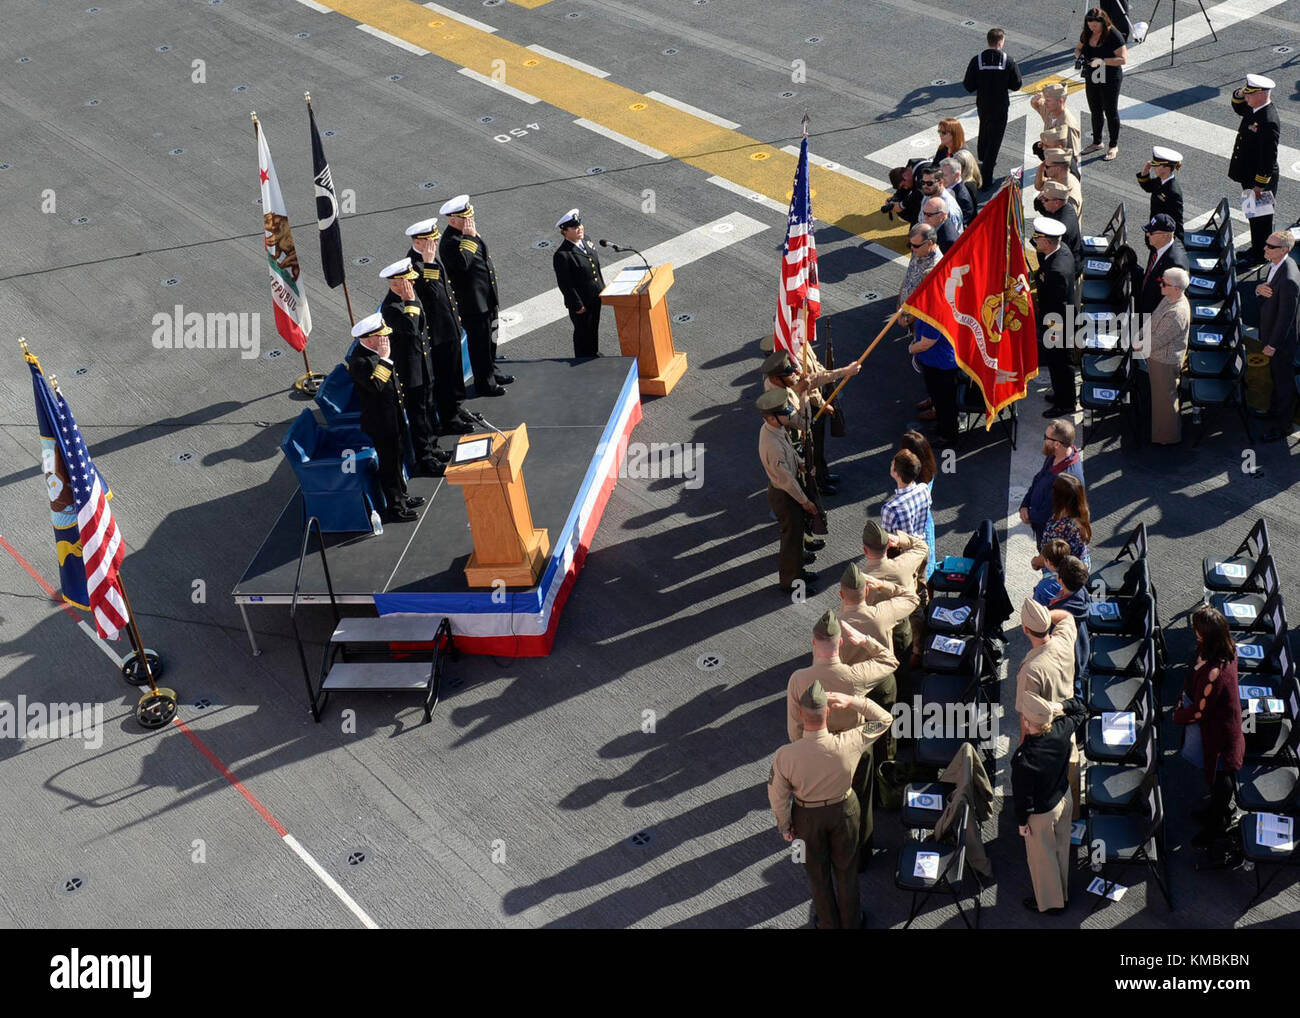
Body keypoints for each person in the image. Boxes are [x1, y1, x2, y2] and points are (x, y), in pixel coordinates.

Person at [767, 680, 892, 929]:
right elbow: (885, 719)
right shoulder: (850, 741)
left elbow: (777, 796)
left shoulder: (785, 755)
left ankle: (827, 923)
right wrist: (853, 701)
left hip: (805, 818)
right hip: (845, 811)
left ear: (801, 715)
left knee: (816, 874)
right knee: (847, 870)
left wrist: (785, 826)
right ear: (827, 711)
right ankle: (852, 922)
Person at [787, 610, 899, 855]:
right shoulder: (854, 676)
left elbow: (794, 726)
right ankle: (861, 855)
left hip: (816, 750)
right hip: (855, 747)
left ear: (813, 643)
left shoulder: (798, 679)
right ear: (841, 643)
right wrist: (864, 640)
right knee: (860, 801)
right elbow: (890, 661)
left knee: (822, 805)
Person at [1173, 606, 1245, 847]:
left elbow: (1200, 711)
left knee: (1220, 779)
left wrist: (1178, 717)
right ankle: (1216, 813)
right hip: (1223, 723)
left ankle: (1217, 824)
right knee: (1217, 780)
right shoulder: (1226, 649)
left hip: (1220, 732)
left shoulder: (1215, 672)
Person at [1013, 695, 1089, 914]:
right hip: (1064, 798)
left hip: (1042, 813)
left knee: (1043, 860)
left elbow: (1023, 798)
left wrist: (1022, 823)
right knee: (1061, 850)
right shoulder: (1062, 728)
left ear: (1027, 723)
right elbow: (1080, 710)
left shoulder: (1024, 758)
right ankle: (1062, 892)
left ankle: (1052, 903)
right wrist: (1060, 706)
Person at [346, 313, 423, 523]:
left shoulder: (376, 352)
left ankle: (403, 496)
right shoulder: (360, 361)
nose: (385, 339)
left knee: (397, 458)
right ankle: (396, 507)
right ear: (369, 338)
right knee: (389, 464)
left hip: (392, 415)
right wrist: (385, 358)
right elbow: (376, 386)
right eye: (381, 336)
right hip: (380, 422)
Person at [405, 218, 474, 437]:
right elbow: (432, 295)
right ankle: (449, 419)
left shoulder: (429, 257)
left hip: (449, 324)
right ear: (419, 242)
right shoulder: (414, 266)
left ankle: (456, 406)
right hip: (436, 333)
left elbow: (447, 290)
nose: (435, 242)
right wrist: (428, 264)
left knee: (454, 372)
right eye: (430, 240)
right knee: (444, 377)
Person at [439, 194, 513, 396]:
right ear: (452, 220)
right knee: (479, 344)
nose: (470, 221)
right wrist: (471, 238)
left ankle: (492, 371)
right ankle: (485, 383)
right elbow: (463, 265)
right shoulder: (450, 242)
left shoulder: (466, 233)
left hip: (486, 297)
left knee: (491, 339)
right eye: (465, 218)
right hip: (472, 303)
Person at [378, 257, 445, 476]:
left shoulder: (409, 299)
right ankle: (425, 459)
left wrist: (411, 301)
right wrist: (409, 302)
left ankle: (433, 448)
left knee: (428, 409)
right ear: (396, 283)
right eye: (408, 281)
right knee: (418, 416)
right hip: (410, 371)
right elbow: (411, 330)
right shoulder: (392, 308)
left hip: (422, 364)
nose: (412, 284)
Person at [1016, 598, 1082, 818]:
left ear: (1025, 629)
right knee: (1071, 776)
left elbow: (1025, 715)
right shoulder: (1063, 640)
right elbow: (1067, 617)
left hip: (1045, 732)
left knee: (1046, 789)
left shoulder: (1031, 670)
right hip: (1068, 718)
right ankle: (1073, 817)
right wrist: (1045, 616)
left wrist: (1024, 748)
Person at [757, 389, 819, 594]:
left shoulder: (775, 429)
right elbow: (786, 480)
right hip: (785, 494)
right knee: (791, 542)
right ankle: (792, 583)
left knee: (797, 535)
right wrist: (804, 501)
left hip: (787, 490)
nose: (789, 414)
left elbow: (790, 450)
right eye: (785, 413)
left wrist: (801, 463)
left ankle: (798, 571)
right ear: (772, 418)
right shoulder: (771, 444)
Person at [860, 521, 929, 670]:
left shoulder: (860, 579)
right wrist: (899, 539)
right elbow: (922, 546)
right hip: (905, 624)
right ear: (888, 546)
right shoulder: (904, 564)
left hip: (878, 633)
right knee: (904, 664)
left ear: (865, 550)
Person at [1228, 75, 1280, 268]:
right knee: (1253, 216)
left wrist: (1259, 185)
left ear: (1260, 94)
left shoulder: (1268, 120)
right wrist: (1240, 93)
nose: (1246, 98)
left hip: (1260, 180)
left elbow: (1268, 158)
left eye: (1250, 94)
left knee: (1262, 220)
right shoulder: (1254, 108)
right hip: (1248, 176)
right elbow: (1238, 106)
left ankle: (1261, 255)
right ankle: (1256, 248)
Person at [963, 28, 1021, 189]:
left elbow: (968, 85)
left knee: (984, 130)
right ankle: (986, 179)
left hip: (982, 104)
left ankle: (982, 159)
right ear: (1001, 42)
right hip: (1000, 105)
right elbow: (1016, 85)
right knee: (995, 139)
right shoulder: (1008, 60)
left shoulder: (977, 60)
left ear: (988, 41)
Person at [1256, 231, 1299, 443]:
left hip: (1281, 342)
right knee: (1276, 377)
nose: (1265, 248)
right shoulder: (1276, 265)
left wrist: (1273, 344)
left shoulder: (1289, 278)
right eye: (1266, 244)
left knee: (1284, 382)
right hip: (1273, 334)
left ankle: (1283, 426)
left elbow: (1286, 317)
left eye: (1270, 247)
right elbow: (1267, 291)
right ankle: (1274, 411)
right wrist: (1258, 289)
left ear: (1284, 250)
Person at [1033, 217, 1078, 416]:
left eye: (1038, 238)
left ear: (1048, 242)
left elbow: (1055, 304)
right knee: (1056, 363)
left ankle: (1065, 403)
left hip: (1057, 322)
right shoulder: (1061, 250)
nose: (1035, 241)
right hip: (1060, 317)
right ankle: (1060, 393)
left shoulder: (1056, 271)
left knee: (1060, 363)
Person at [1020, 418, 1085, 546]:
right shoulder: (1056, 455)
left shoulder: (1066, 479)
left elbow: (1048, 512)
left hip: (1052, 537)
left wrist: (1029, 515)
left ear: (1057, 444)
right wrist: (1025, 504)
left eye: (1046, 437)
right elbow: (1038, 479)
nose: (1044, 440)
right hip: (1039, 523)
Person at [1145, 266, 1191, 445]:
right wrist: (1140, 334)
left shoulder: (1177, 313)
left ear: (1177, 289)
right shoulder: (1169, 298)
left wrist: (1135, 343)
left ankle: (1167, 437)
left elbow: (1156, 341)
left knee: (1165, 399)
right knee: (1160, 397)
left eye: (1164, 283)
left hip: (1163, 360)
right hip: (1157, 355)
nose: (1161, 285)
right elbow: (1153, 319)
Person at [551, 208, 606, 357]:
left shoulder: (586, 240)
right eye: (574, 227)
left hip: (595, 296)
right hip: (582, 302)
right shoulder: (563, 255)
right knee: (583, 333)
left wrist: (603, 289)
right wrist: (577, 304)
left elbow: (595, 267)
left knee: (593, 327)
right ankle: (582, 360)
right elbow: (565, 284)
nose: (579, 229)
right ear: (564, 231)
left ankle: (593, 353)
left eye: (579, 225)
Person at [1075, 7, 1128, 162]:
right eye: (1090, 25)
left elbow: (1123, 59)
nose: (1092, 28)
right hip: (1093, 75)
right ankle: (1097, 142)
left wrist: (1102, 61)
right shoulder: (1087, 33)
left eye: (1095, 26)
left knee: (1110, 111)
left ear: (1103, 23)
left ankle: (1113, 145)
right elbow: (1078, 49)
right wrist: (1080, 57)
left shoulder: (1113, 35)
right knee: (1095, 110)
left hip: (1110, 76)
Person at [898, 430, 938, 580]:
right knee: (928, 564)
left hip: (913, 528)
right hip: (926, 523)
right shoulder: (929, 470)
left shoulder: (911, 481)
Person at [1132, 214, 1189, 317]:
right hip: (1144, 303)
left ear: (1164, 235)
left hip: (1153, 315)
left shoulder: (1175, 265)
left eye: (1151, 232)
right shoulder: (1159, 244)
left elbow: (1169, 299)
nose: (1147, 234)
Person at [1035, 473, 1092, 570]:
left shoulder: (1060, 527)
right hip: (1080, 566)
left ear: (1060, 498)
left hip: (1064, 572)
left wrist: (1035, 562)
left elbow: (1050, 554)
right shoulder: (1082, 513)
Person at [1136, 147, 1185, 242]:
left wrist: (1177, 243)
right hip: (1155, 231)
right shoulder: (1161, 180)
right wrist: (1146, 169)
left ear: (1166, 168)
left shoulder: (1173, 192)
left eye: (1156, 165)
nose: (1153, 167)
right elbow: (1148, 187)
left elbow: (1177, 220)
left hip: (1162, 237)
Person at [1029, 83, 1082, 166]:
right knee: (1037, 148)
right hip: (1052, 151)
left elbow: (1073, 157)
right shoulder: (1051, 110)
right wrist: (1034, 100)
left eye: (1048, 100)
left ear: (1060, 101)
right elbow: (1037, 105)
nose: (1045, 103)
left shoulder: (1068, 125)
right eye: (1045, 99)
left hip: (1061, 162)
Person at [1034, 181, 1083, 268]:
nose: (1042, 202)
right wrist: (1042, 197)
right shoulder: (1057, 206)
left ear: (1056, 202)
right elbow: (1038, 206)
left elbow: (1051, 251)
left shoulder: (1063, 227)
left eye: (1045, 199)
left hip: (1065, 265)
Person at [1037, 151, 1083, 218]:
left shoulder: (1069, 197)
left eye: (1047, 167)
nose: (1045, 169)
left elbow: (1067, 219)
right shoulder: (1061, 177)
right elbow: (1040, 185)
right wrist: (1041, 168)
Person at [920, 162, 963, 229]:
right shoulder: (928, 194)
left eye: (929, 183)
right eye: (923, 182)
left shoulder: (949, 208)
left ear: (940, 182)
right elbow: (921, 220)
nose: (925, 186)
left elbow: (953, 235)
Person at [885, 159, 926, 225]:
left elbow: (921, 192)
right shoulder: (910, 168)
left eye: (903, 185)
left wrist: (901, 205)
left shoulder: (923, 173)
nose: (906, 188)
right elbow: (903, 190)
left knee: (915, 203)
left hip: (942, 199)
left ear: (905, 176)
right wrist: (895, 199)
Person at [940, 158, 975, 225]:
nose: (941, 178)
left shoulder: (962, 198)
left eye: (945, 175)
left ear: (957, 175)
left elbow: (959, 223)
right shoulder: (949, 186)